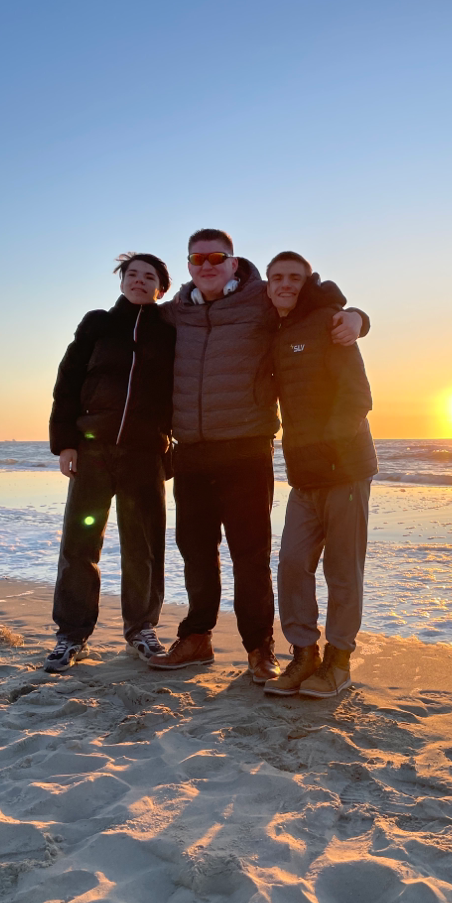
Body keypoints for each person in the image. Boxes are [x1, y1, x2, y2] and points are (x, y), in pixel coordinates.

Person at [146, 230, 368, 683]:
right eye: (197, 258)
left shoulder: (260, 299)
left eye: (216, 257)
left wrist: (358, 316)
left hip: (246, 448)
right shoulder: (176, 313)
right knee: (195, 552)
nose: (206, 265)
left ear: (233, 263)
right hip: (191, 449)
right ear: (188, 265)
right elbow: (134, 319)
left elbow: (314, 297)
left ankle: (259, 650)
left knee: (251, 556)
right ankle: (196, 638)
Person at [45, 253, 176, 673]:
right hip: (93, 450)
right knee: (80, 545)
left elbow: (184, 387)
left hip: (144, 456)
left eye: (149, 276)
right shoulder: (97, 323)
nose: (139, 281)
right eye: (132, 274)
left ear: (162, 288)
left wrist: (172, 446)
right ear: (122, 282)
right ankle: (71, 635)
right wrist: (65, 443)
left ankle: (142, 629)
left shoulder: (171, 329)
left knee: (144, 546)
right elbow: (67, 383)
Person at [263, 251, 377, 698]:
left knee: (343, 569)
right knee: (292, 563)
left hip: (346, 470)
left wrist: (330, 448)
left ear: (307, 281)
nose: (286, 284)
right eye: (277, 278)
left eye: (295, 277)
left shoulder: (331, 321)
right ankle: (304, 654)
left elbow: (358, 396)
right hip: (303, 474)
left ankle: (339, 662)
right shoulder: (276, 329)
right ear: (268, 285)